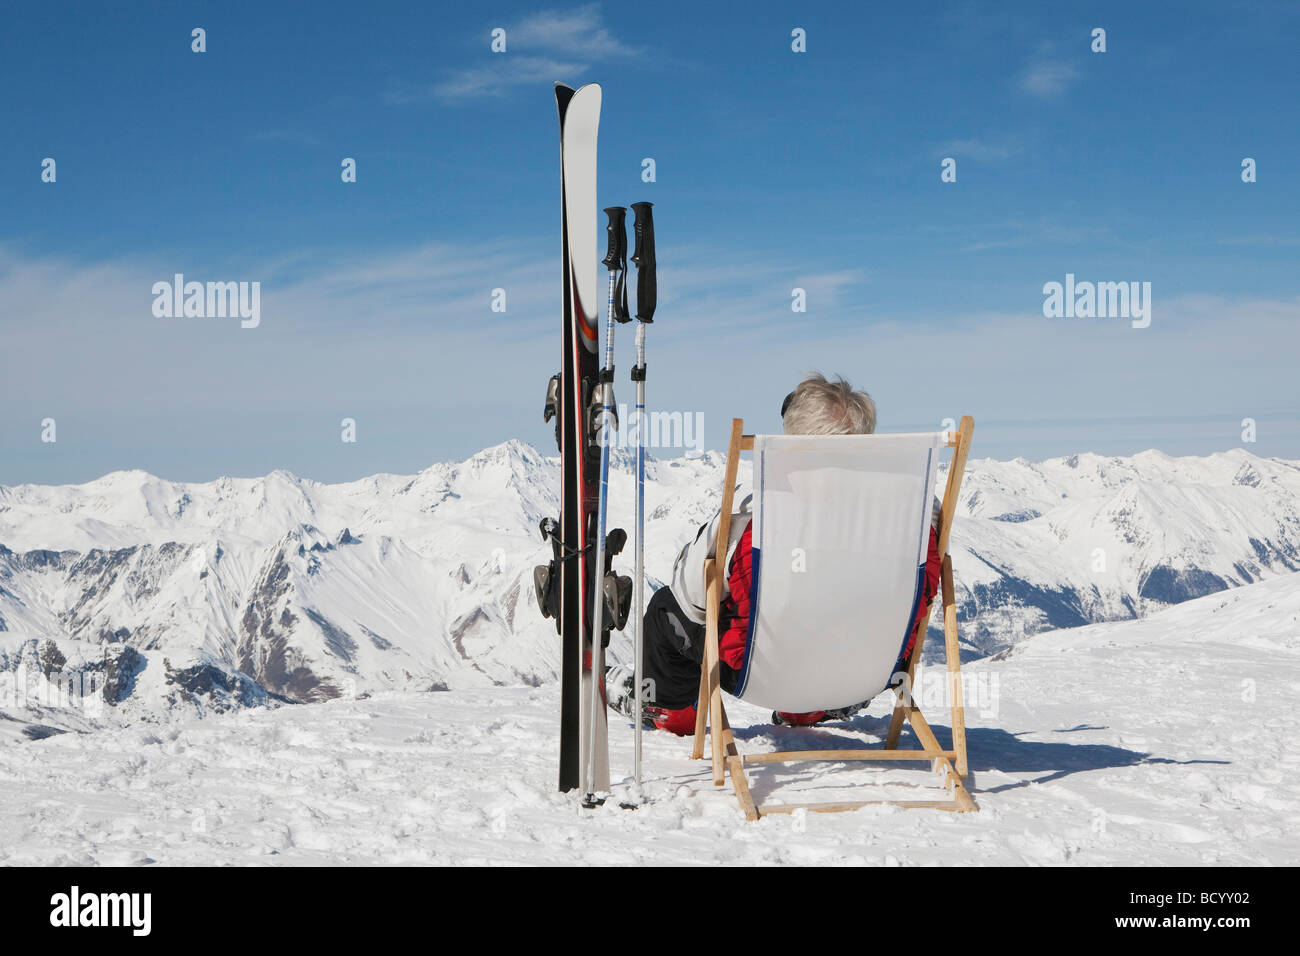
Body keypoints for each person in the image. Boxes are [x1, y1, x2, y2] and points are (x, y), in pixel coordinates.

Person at [608, 373, 943, 735]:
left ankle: (673, 711)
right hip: (871, 672)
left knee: (664, 610)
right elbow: (921, 593)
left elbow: (692, 598)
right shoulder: (916, 517)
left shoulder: (754, 513)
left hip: (762, 674)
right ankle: (808, 711)